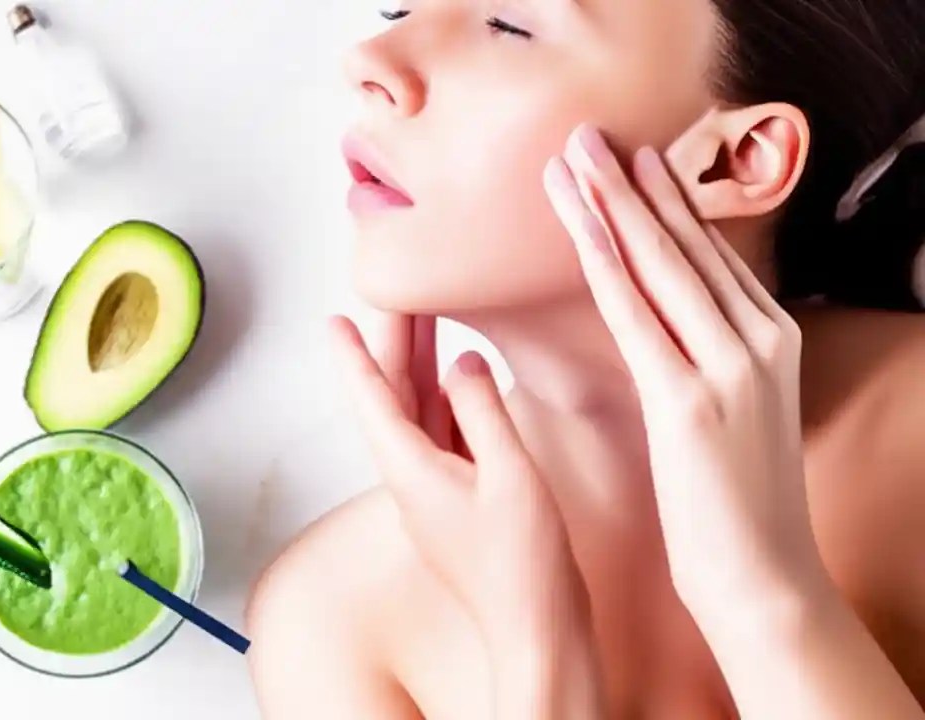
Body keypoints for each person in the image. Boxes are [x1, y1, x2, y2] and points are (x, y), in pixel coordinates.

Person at [246, 1, 925, 717]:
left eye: (509, 24)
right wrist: (537, 643)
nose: (370, 59)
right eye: (403, 5)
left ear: (735, 159)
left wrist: (759, 591)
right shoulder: (335, 626)